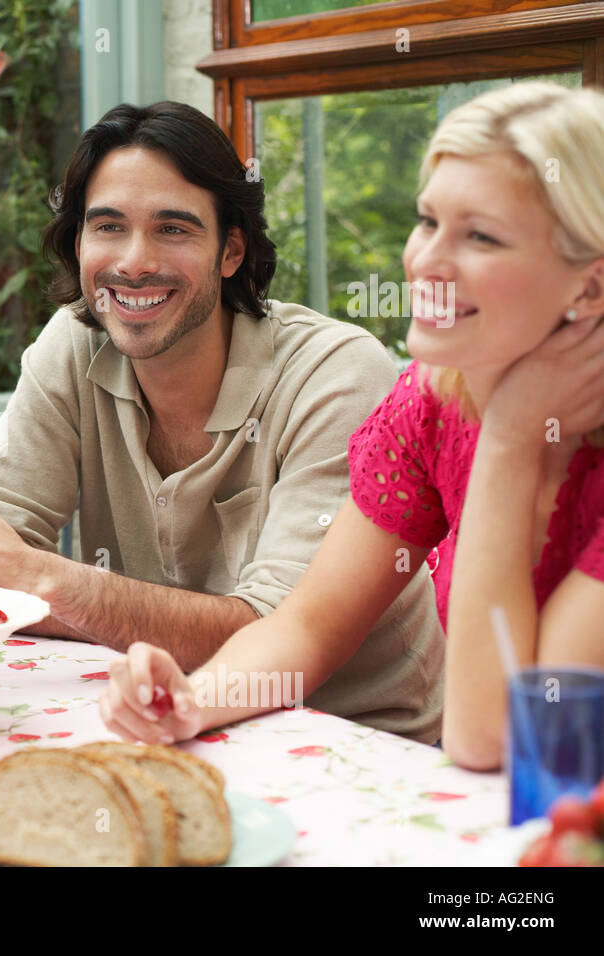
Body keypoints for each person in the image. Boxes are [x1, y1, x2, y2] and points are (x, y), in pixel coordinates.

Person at [0, 101, 444, 741]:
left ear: (231, 250)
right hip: (165, 718)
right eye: (108, 226)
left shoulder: (335, 373)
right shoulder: (75, 344)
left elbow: (280, 634)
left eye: (173, 229)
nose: (134, 261)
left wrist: (36, 577)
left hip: (357, 738)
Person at [98, 82, 604, 770]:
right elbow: (306, 628)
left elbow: (502, 738)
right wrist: (193, 698)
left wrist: (512, 440)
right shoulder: (431, 406)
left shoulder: (501, 427)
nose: (426, 261)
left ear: (590, 288)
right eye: (428, 221)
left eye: (480, 235)